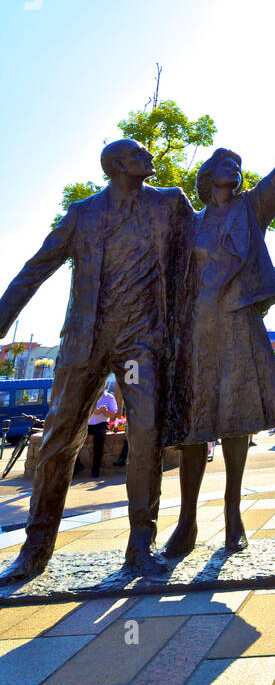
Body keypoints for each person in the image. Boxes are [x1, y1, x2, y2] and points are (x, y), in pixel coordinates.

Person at [0, 137, 192, 582]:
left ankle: (140, 546)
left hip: (139, 343)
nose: (149, 157)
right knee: (58, 440)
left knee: (144, 435)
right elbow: (37, 267)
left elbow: (204, 246)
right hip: (85, 343)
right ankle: (35, 549)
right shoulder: (83, 214)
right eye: (140, 153)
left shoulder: (169, 205)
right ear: (118, 166)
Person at [163, 120, 275, 556]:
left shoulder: (250, 209)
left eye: (240, 165)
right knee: (193, 424)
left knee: (235, 419)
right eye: (227, 163)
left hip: (237, 323)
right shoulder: (189, 223)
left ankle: (232, 515)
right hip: (196, 326)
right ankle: (186, 522)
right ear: (209, 177)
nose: (236, 169)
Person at [86, 377, 118, 478]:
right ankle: (76, 465)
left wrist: (104, 412)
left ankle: (96, 468)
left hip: (101, 424)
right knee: (73, 437)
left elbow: (113, 414)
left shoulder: (109, 397)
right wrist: (92, 411)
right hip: (87, 424)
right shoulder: (88, 396)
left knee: (99, 438)